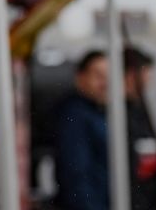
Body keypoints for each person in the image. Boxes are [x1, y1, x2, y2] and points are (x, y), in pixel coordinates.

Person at [53, 49, 110, 210]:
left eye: (108, 76)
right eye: (98, 76)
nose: (104, 83)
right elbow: (75, 175)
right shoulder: (74, 115)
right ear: (80, 78)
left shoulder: (100, 111)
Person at [124, 46, 156, 210]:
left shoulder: (139, 106)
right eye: (146, 74)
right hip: (133, 197)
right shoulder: (117, 111)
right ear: (131, 75)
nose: (149, 80)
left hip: (147, 197)